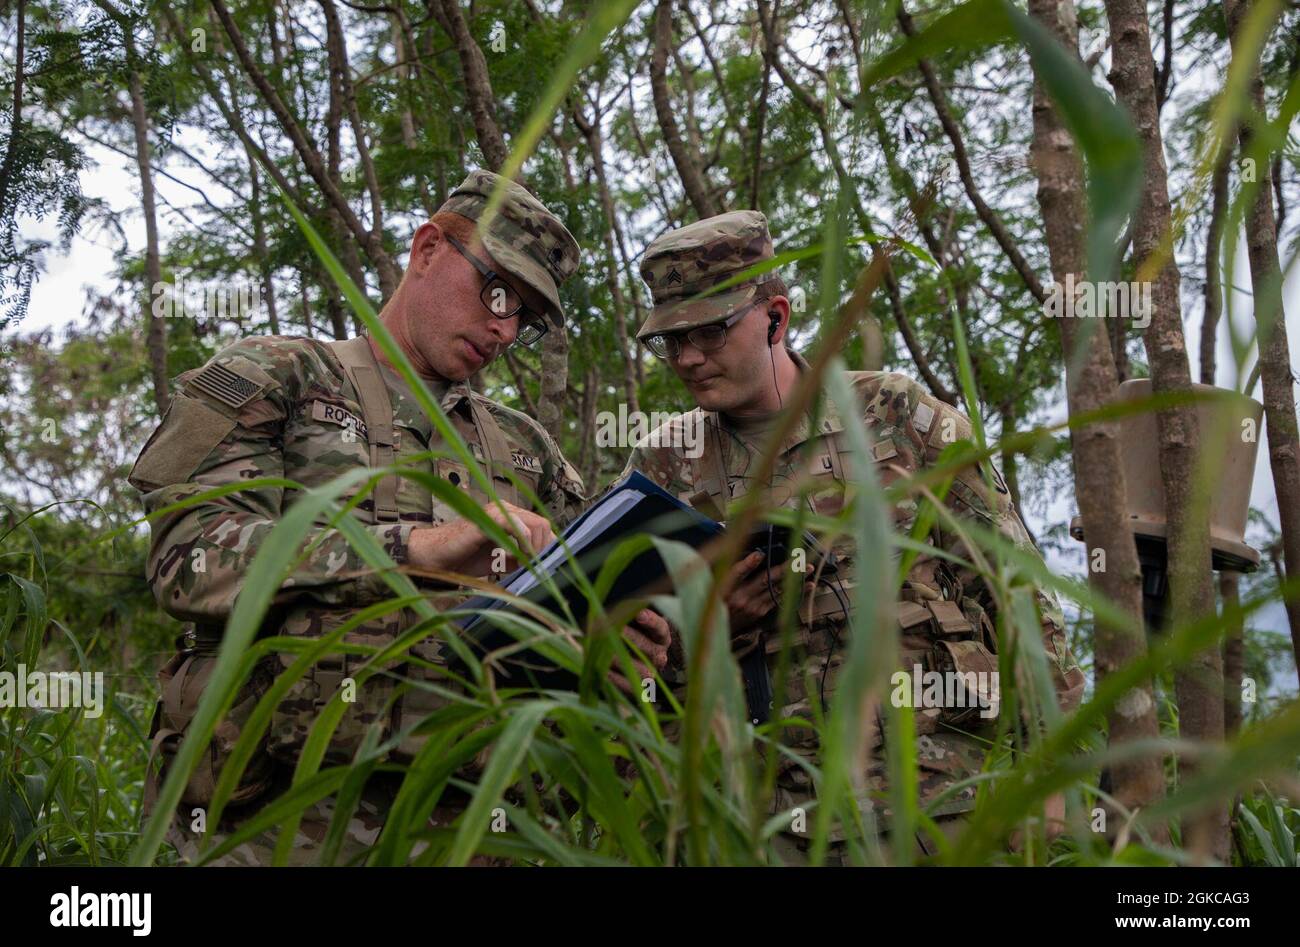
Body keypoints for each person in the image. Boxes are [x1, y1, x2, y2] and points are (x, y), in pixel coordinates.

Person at [127, 170, 670, 865]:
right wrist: (413, 547)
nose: (505, 328)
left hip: (471, 835)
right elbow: (189, 559)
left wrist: (619, 638)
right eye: (498, 292)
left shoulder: (526, 450)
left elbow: (583, 600)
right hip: (270, 832)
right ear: (426, 250)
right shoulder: (280, 377)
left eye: (526, 318)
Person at [619, 210, 1085, 863]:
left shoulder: (899, 417)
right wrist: (706, 629)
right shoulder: (663, 466)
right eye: (670, 341)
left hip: (939, 809)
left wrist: (1053, 788)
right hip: (762, 825)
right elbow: (625, 661)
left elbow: (1020, 596)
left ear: (776, 318)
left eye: (709, 332)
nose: (688, 358)